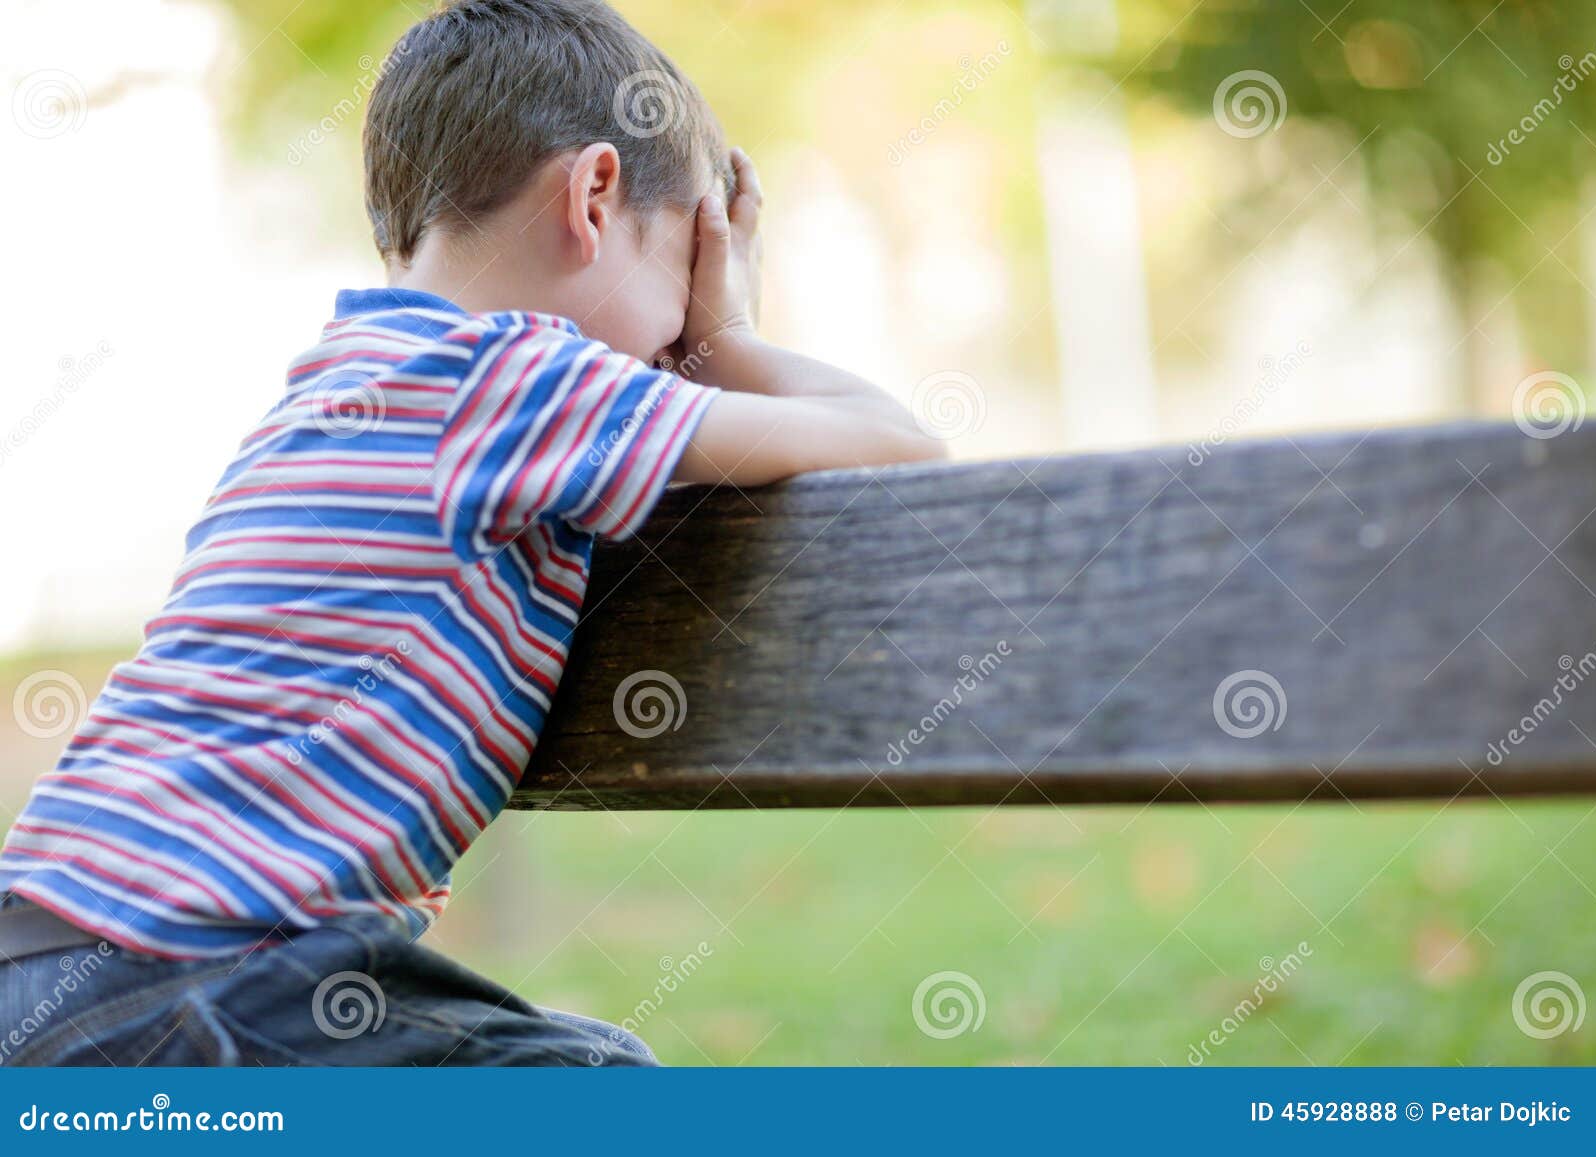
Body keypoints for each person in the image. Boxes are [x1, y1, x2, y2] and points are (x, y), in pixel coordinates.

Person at [0, 0, 944, 1066]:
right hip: (194, 971)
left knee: (576, 1059)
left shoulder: (342, 385)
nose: (677, 335)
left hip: (57, 959)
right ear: (593, 197)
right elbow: (900, 448)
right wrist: (730, 337)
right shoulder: (515, 377)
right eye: (687, 271)